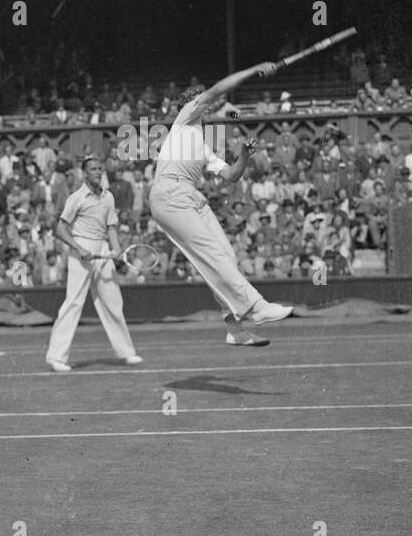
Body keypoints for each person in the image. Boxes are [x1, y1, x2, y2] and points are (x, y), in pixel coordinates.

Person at [148, 61, 293, 348]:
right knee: (213, 255)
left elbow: (231, 176)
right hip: (169, 193)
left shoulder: (202, 144)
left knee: (226, 256)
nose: (209, 104)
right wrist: (254, 70)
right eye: (202, 100)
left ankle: (234, 328)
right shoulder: (184, 117)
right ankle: (256, 307)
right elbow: (217, 90)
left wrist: (244, 157)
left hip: (190, 196)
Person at [45, 157, 142, 372]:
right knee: (73, 302)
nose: (98, 172)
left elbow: (111, 227)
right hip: (80, 248)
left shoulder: (108, 197)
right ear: (84, 174)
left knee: (113, 302)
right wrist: (79, 248)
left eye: (100, 169)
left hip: (103, 249)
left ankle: (126, 352)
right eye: (93, 169)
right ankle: (56, 357)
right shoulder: (76, 198)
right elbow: (60, 229)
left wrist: (116, 249)